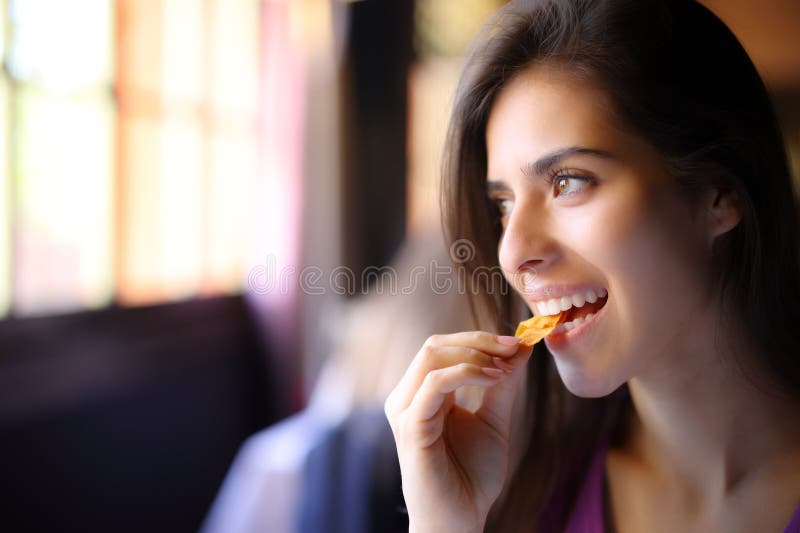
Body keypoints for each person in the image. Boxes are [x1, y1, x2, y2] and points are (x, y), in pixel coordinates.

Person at [383, 1, 800, 532]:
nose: (511, 252)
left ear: (718, 192)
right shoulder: (526, 497)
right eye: (503, 205)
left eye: (568, 181)